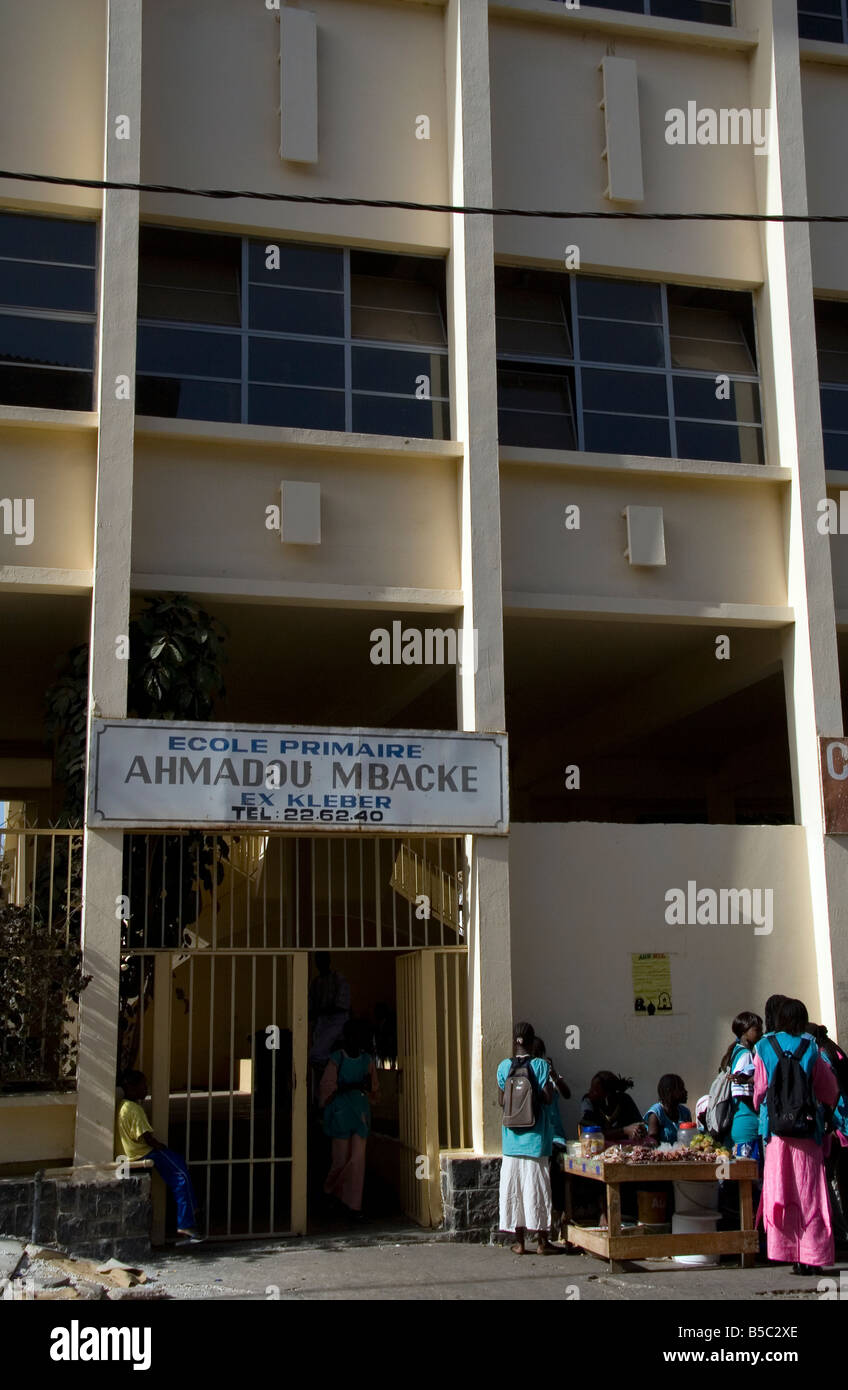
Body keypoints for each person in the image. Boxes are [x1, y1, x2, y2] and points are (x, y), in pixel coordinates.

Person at [753, 996, 839, 1274]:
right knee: (811, 1195)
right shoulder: (811, 1046)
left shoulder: (764, 1046)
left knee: (781, 1191)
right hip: (807, 1132)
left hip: (777, 1135)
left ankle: (788, 1253)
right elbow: (829, 1090)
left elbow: (759, 1094)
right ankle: (812, 1256)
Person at [116, 1071, 202, 1244]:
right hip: (143, 1152)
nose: (146, 1088)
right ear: (132, 1088)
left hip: (131, 1153)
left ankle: (192, 1210)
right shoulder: (134, 1109)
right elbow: (145, 1136)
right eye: (143, 1085)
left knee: (178, 1166)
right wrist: (159, 1145)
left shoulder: (123, 1106)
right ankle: (187, 1221)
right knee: (181, 1177)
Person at [497, 1021, 556, 1256]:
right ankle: (542, 1242)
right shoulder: (540, 1065)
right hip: (535, 1141)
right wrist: (549, 1078)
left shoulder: (503, 1067)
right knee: (538, 1190)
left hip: (511, 1142)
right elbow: (548, 1099)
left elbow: (502, 1102)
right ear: (532, 1042)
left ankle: (520, 1243)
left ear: (515, 1041)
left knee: (515, 1191)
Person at [318, 1019, 379, 1218]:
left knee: (357, 1160)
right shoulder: (338, 1058)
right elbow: (328, 1087)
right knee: (340, 1159)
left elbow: (372, 1088)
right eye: (354, 1035)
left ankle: (353, 1205)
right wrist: (352, 1086)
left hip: (360, 1113)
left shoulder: (366, 1060)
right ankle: (330, 1192)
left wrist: (355, 1086)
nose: (357, 1039)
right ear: (347, 1036)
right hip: (341, 1114)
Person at [533, 1037, 569, 1233]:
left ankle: (560, 1212)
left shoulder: (550, 1076)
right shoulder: (530, 1075)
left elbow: (567, 1093)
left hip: (556, 1137)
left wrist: (553, 1075)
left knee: (557, 1166)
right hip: (539, 1137)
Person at [718, 1011, 764, 1159]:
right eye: (757, 1030)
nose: (761, 1033)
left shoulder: (737, 1052)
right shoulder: (745, 1055)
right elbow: (741, 1093)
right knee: (750, 1177)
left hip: (741, 1124)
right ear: (744, 1032)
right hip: (747, 1124)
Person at [309, 952, 351, 1092]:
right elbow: (312, 1006)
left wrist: (324, 1011)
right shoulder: (316, 983)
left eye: (322, 959)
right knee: (316, 1057)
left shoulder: (337, 978)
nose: (320, 963)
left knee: (319, 1054)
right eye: (318, 960)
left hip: (337, 1022)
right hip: (321, 1024)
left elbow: (342, 1004)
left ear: (328, 960)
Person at [581, 1072, 646, 1144]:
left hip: (626, 1145)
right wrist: (625, 1130)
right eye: (591, 1088)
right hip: (599, 1146)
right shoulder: (588, 1102)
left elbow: (638, 1123)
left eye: (595, 1090)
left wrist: (638, 1130)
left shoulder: (624, 1099)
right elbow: (593, 1133)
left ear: (607, 1094)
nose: (590, 1091)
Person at [644, 1074, 691, 1145]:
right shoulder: (656, 1114)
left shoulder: (685, 1112)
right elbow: (652, 1142)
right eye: (681, 1089)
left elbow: (691, 1139)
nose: (685, 1092)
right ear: (670, 1091)